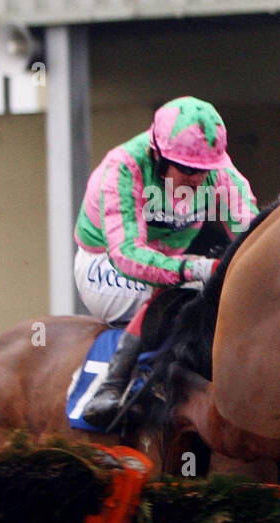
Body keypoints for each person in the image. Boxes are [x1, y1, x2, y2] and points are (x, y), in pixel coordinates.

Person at [73, 95, 258, 427]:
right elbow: (127, 254)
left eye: (205, 170)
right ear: (157, 155)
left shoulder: (219, 172)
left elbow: (252, 232)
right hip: (106, 267)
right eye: (187, 169)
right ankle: (112, 384)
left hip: (170, 266)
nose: (197, 179)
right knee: (184, 290)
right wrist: (192, 268)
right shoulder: (123, 166)